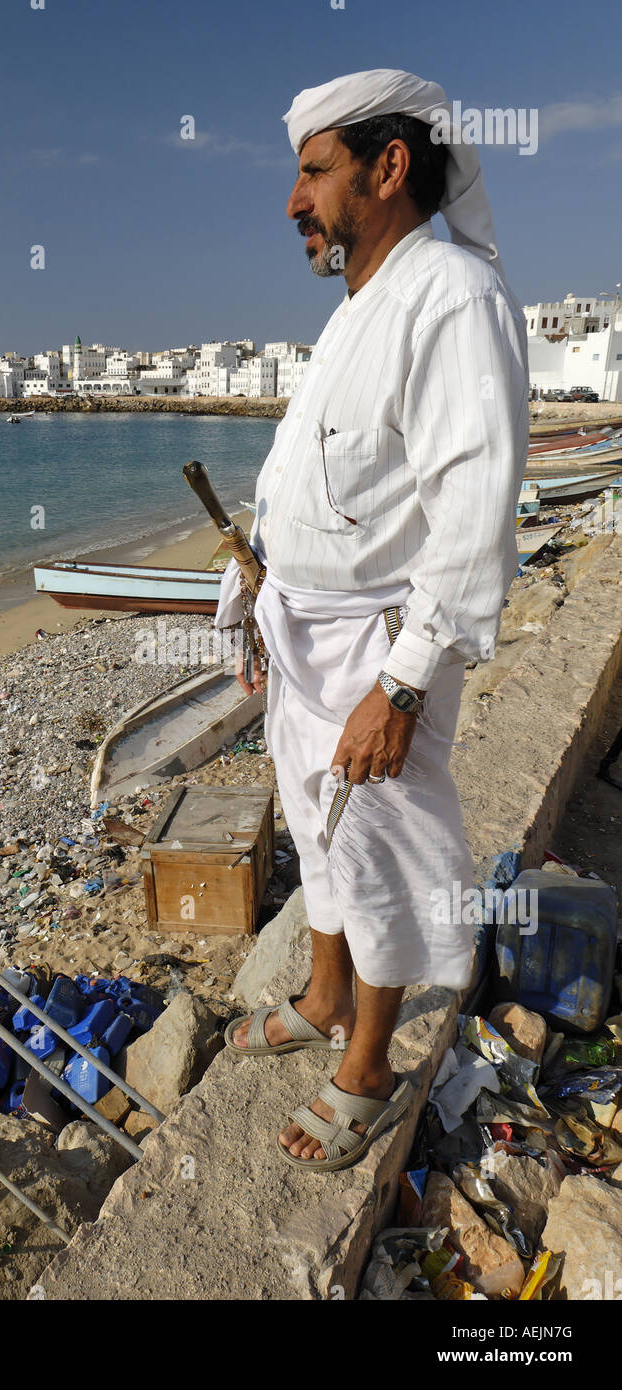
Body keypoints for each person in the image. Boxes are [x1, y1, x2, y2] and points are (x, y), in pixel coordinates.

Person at [215, 69, 528, 1172]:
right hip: (303, 629)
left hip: (378, 643)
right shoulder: (359, 307)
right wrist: (251, 586)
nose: (294, 201)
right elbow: (301, 471)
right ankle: (320, 992)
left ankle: (369, 1063)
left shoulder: (451, 296)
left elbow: (475, 507)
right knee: (315, 821)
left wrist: (401, 684)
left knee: (383, 844)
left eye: (313, 172)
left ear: (387, 167)